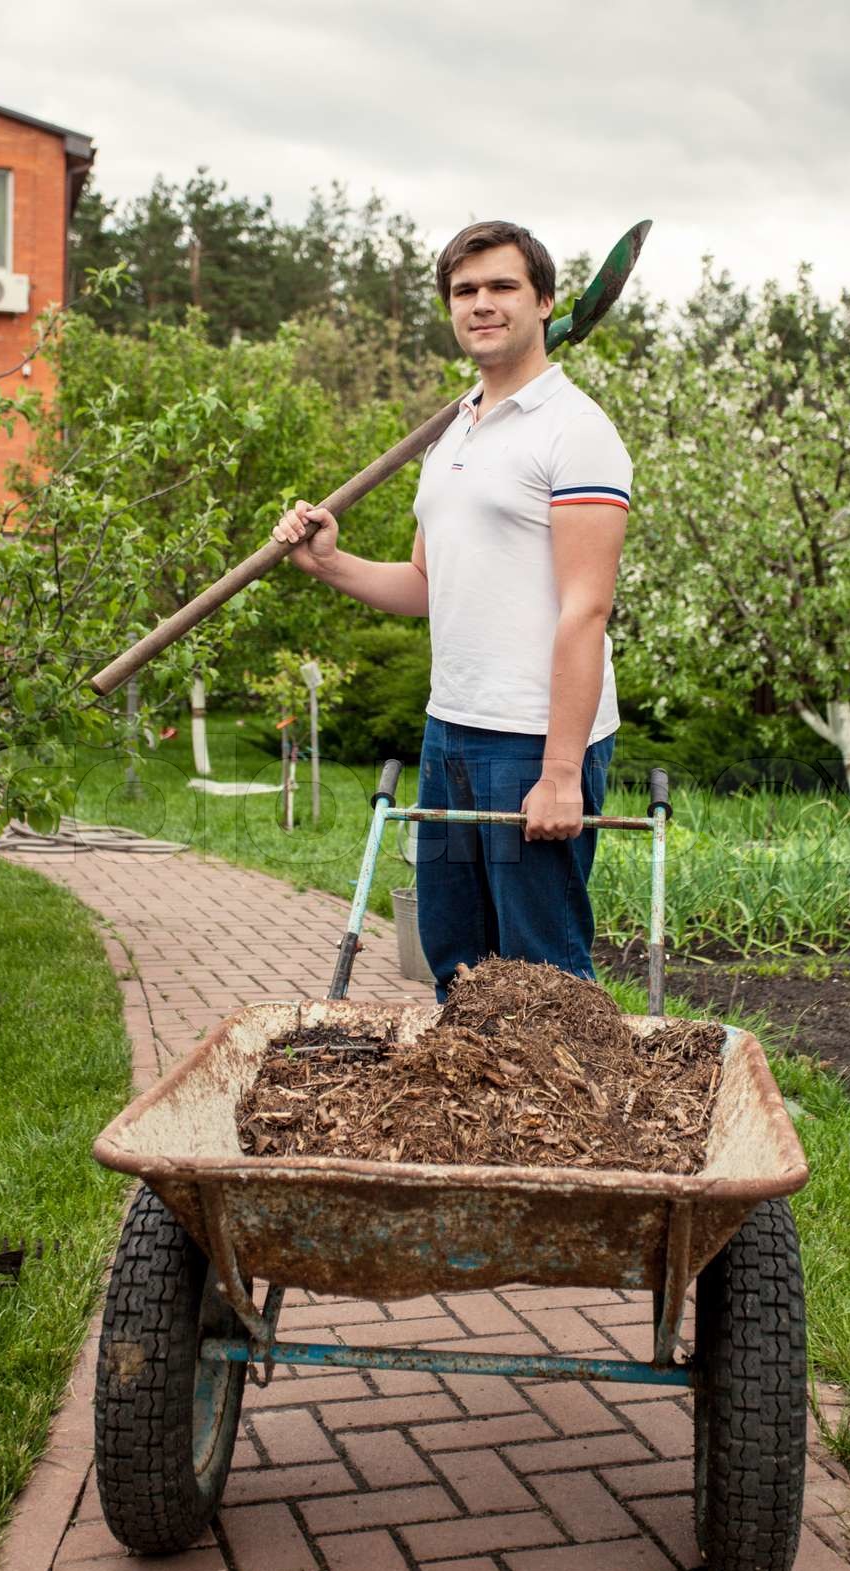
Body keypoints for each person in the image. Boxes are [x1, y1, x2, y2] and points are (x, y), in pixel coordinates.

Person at [272, 220, 631, 1000]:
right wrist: (329, 562)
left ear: (544, 302)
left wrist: (561, 772)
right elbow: (425, 585)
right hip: (451, 731)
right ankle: (472, 1119)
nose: (482, 304)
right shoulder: (452, 433)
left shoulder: (578, 432)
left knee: (542, 976)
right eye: (465, 291)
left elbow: (585, 610)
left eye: (502, 287)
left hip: (534, 738)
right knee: (455, 961)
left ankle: (570, 1120)